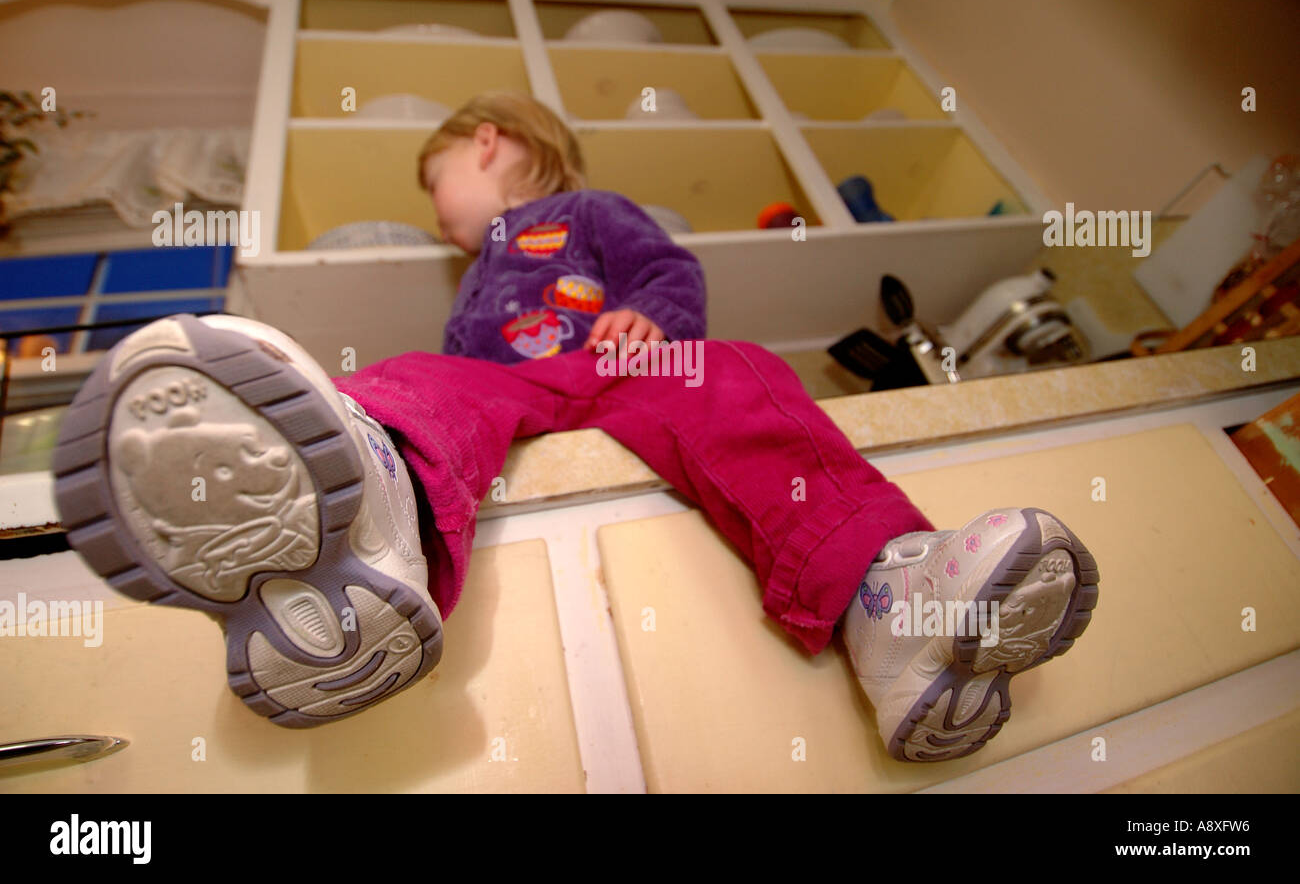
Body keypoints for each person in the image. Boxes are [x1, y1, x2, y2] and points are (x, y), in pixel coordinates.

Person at [51, 90, 1098, 763]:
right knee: (427, 381)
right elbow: (464, 382)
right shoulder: (472, 286)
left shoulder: (590, 213)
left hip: (620, 366)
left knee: (731, 376)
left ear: (490, 142)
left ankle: (887, 601)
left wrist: (662, 321)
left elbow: (667, 270)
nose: (436, 213)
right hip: (516, 391)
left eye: (437, 186)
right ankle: (371, 522)